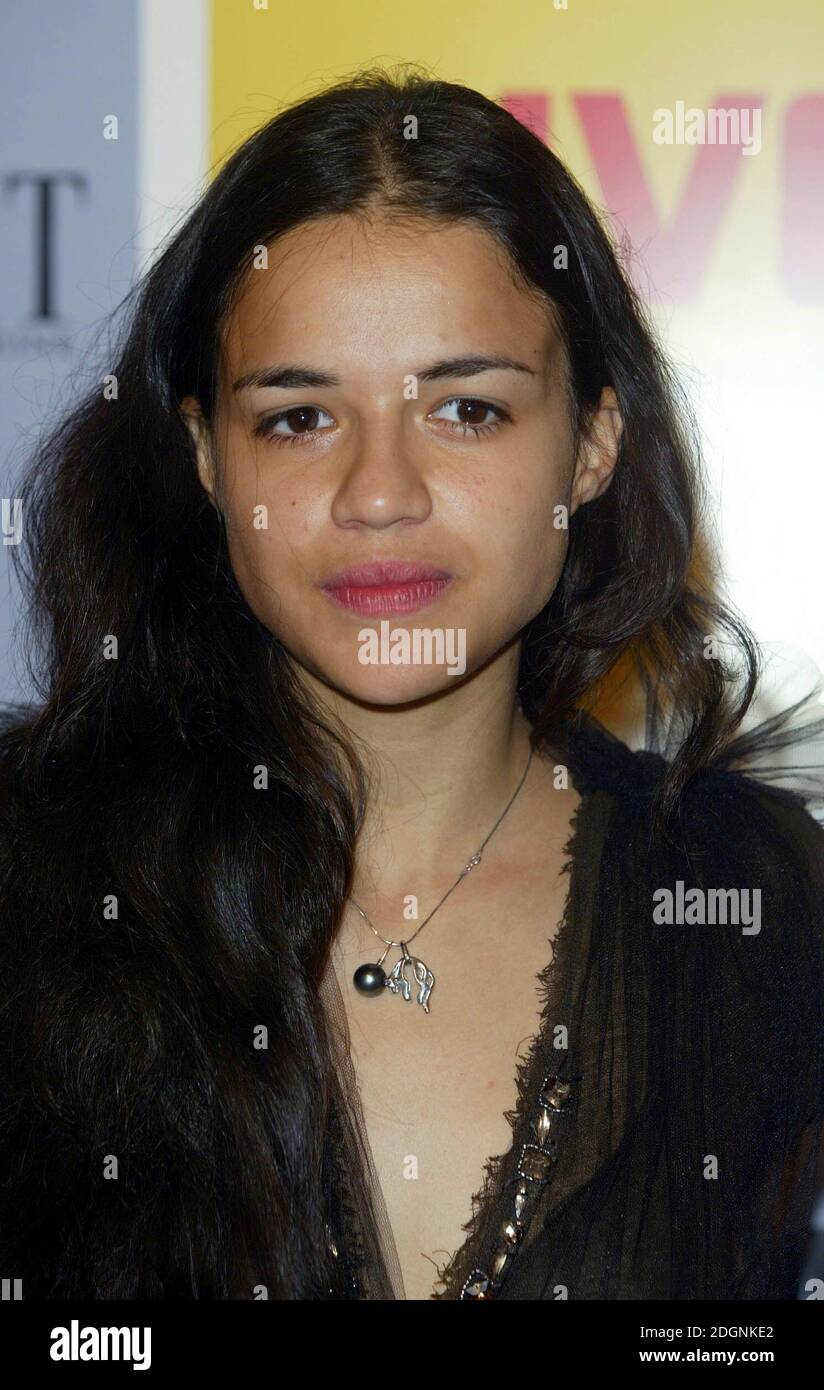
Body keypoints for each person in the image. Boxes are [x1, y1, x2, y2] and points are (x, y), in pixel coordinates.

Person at [0, 66, 822, 1302]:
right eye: (297, 418)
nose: (377, 493)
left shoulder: (757, 902)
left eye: (466, 409)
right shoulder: (28, 870)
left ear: (592, 442)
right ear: (204, 457)